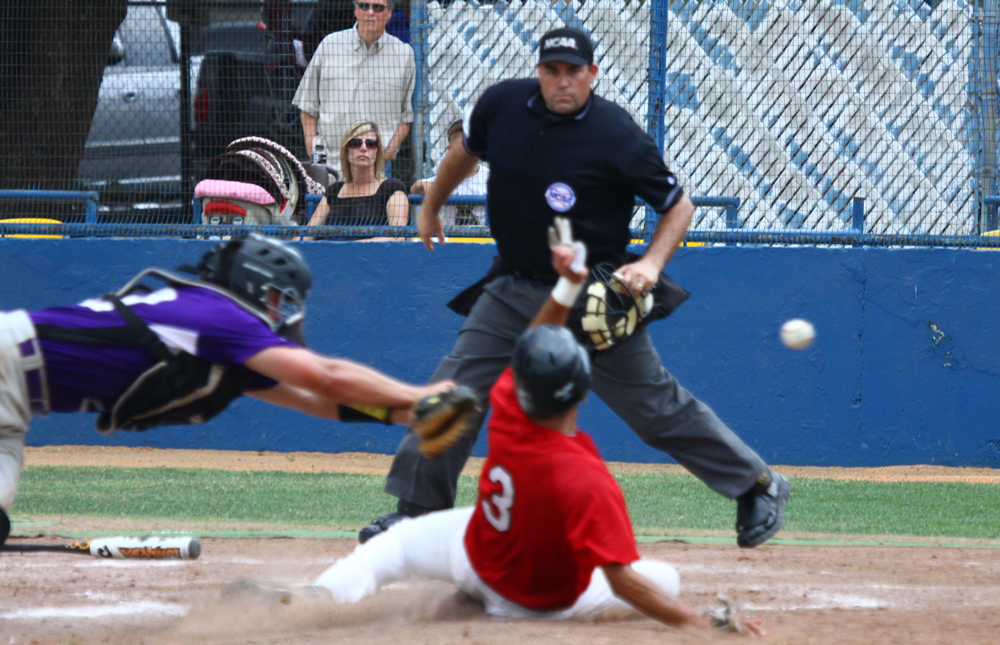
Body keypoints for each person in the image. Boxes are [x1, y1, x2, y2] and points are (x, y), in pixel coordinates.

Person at [360, 27, 790, 549]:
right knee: (455, 392)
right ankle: (416, 514)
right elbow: (464, 153)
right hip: (512, 285)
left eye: (574, 71)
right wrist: (430, 205)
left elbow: (678, 206)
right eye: (552, 70)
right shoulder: (502, 106)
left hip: (591, 300)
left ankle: (757, 485)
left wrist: (651, 264)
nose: (562, 81)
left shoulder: (616, 133)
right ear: (538, 71)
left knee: (653, 408)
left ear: (593, 74)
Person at [225, 237, 764, 637]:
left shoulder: (507, 403)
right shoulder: (589, 478)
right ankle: (472, 606)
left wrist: (568, 284)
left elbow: (534, 341)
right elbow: (624, 583)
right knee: (661, 577)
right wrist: (702, 623)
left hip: (479, 559)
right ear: (580, 394)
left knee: (391, 549)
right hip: (542, 603)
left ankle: (320, 596)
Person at [0, 235, 456, 550]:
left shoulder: (224, 350)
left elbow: (319, 401)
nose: (281, 313)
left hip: (15, 406)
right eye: (279, 298)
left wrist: (403, 416)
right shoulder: (220, 315)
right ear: (254, 283)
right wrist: (419, 397)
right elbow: (326, 376)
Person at [292, 0, 415, 173]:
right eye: (364, 6)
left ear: (389, 13)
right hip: (330, 168)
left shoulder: (404, 55)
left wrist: (386, 154)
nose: (370, 12)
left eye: (378, 7)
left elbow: (406, 116)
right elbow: (308, 108)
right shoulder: (329, 46)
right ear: (356, 10)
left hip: (377, 172)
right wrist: (316, 161)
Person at [307, 120, 408, 233]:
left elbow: (398, 237)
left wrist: (352, 247)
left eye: (370, 144)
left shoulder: (392, 188)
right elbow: (307, 234)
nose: (363, 148)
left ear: (377, 151)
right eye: (355, 143)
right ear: (346, 150)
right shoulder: (334, 191)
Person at [410, 119, 489, 227]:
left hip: (486, 240)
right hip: (453, 240)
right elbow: (414, 189)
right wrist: (423, 186)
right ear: (450, 150)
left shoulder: (490, 178)